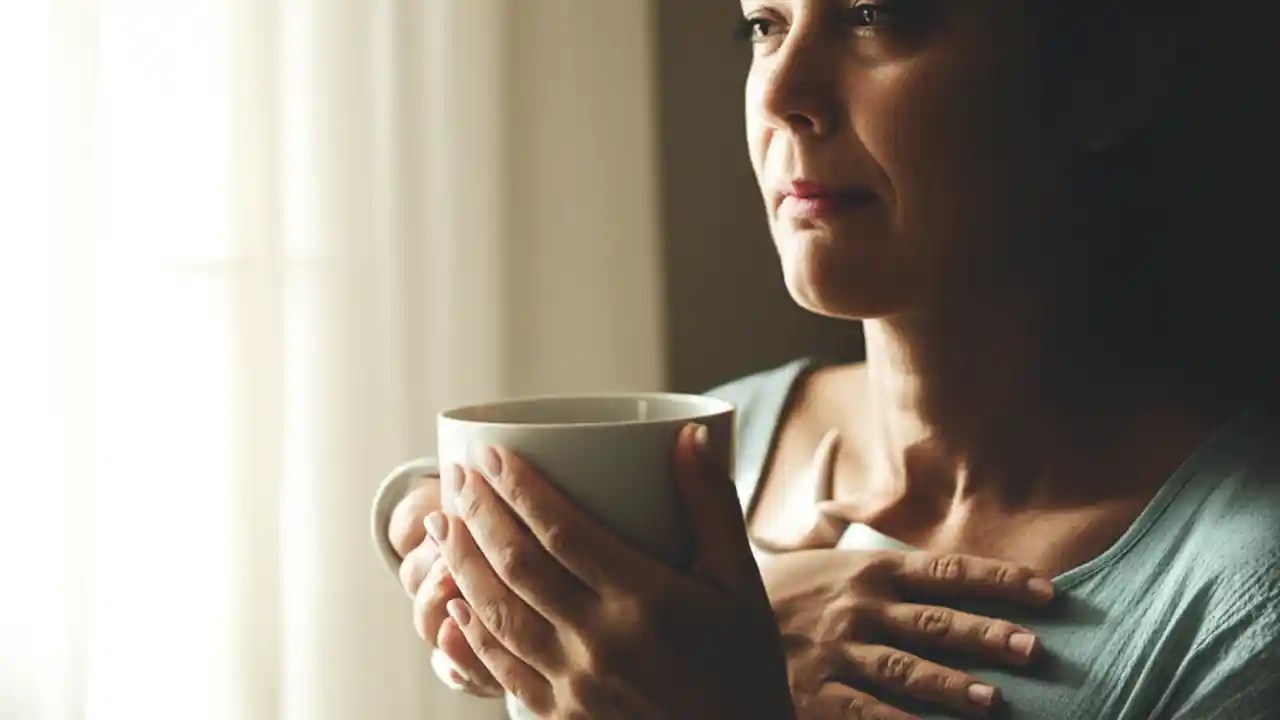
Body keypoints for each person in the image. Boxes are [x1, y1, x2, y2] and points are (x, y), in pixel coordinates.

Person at [372, 1, 1280, 717]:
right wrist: (430, 529)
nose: (779, 91)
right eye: (765, 24)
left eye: (875, 15)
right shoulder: (685, 460)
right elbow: (422, 504)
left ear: (1104, 81)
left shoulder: (1240, 600)